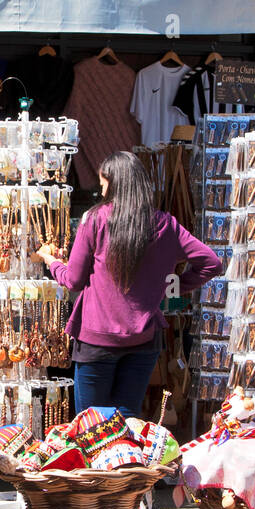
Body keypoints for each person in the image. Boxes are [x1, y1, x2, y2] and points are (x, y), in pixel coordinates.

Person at [38, 150, 221, 417]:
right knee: (128, 421)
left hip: (96, 339)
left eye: (103, 185)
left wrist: (52, 262)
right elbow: (212, 263)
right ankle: (126, 460)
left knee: (91, 425)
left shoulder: (96, 219)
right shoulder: (164, 224)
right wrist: (174, 286)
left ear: (113, 183)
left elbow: (74, 280)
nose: (101, 193)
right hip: (143, 338)